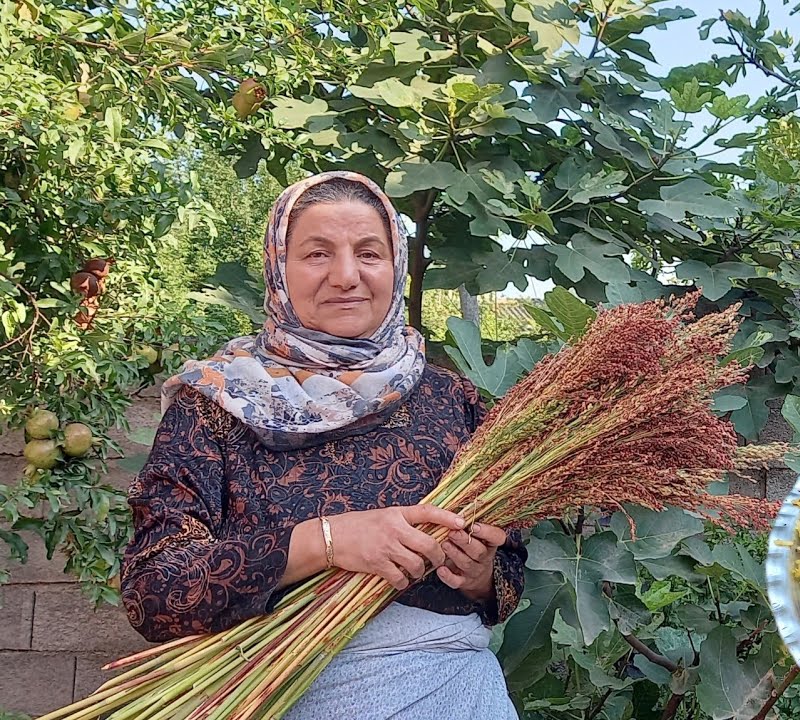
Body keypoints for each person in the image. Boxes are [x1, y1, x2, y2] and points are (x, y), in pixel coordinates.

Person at [120, 171, 525, 719]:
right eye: (316, 253)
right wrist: (324, 542)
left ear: (396, 265)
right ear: (279, 267)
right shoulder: (216, 404)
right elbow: (156, 590)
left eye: (369, 253)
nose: (346, 275)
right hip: (277, 695)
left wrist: (479, 576)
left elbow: (507, 575)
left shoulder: (453, 399)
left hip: (452, 695)